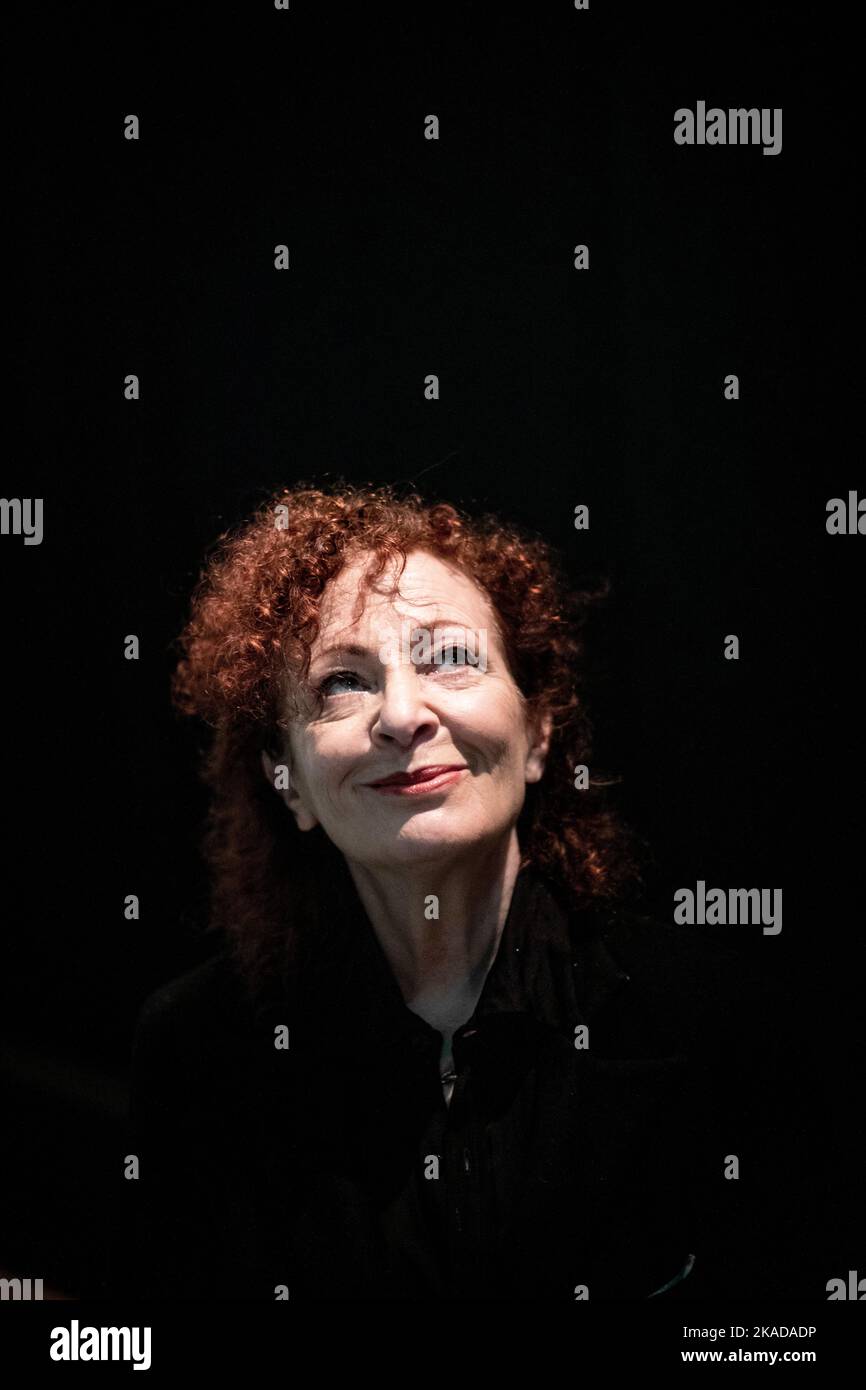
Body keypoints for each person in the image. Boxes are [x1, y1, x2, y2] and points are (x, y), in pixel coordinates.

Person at [110, 481, 824, 1300]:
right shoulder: (198, 1055)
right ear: (292, 786)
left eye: (448, 656)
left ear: (537, 735)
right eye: (342, 681)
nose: (402, 714)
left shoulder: (713, 1025)